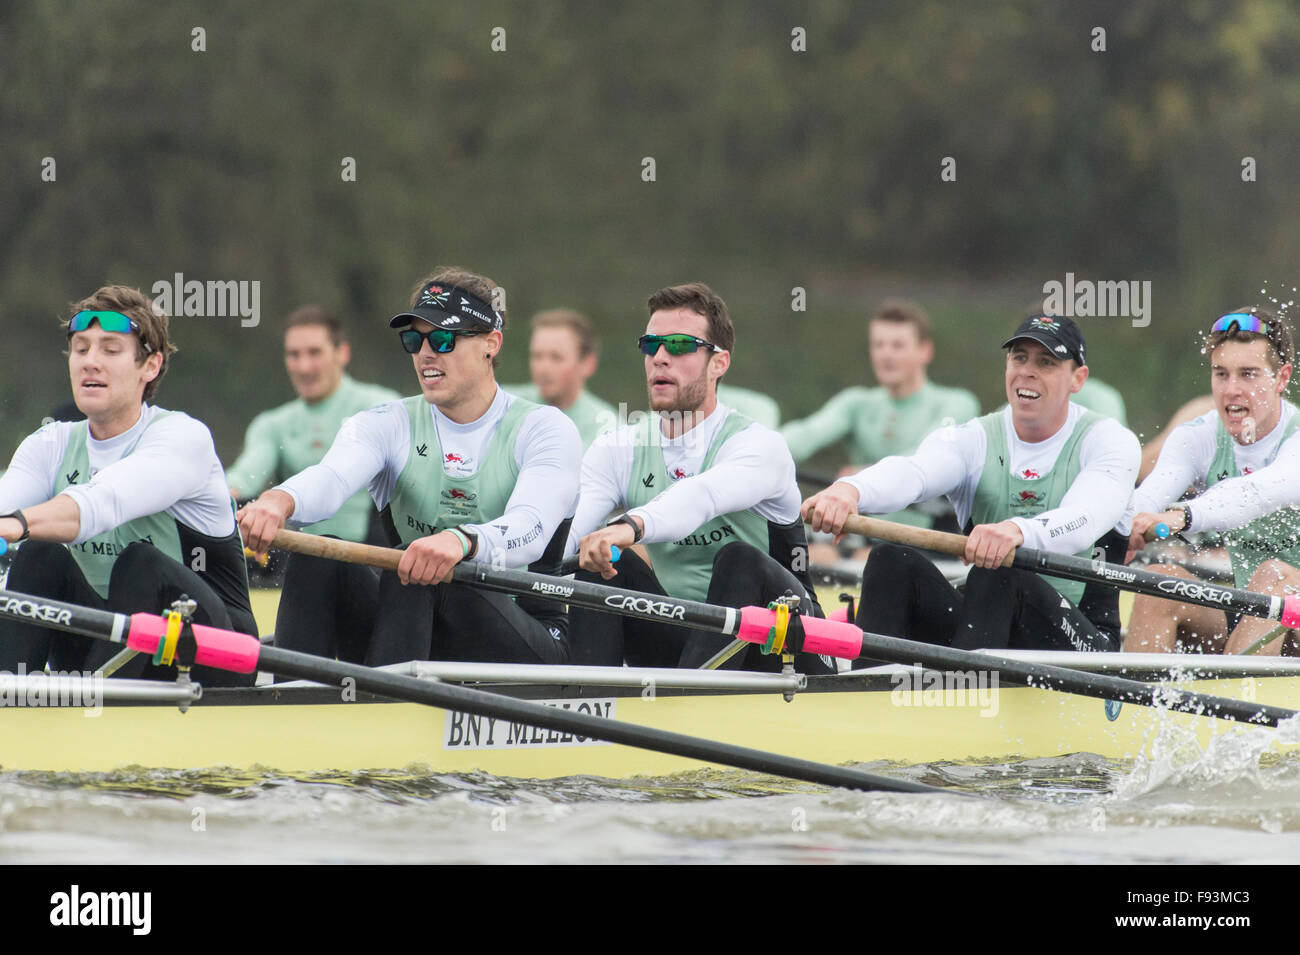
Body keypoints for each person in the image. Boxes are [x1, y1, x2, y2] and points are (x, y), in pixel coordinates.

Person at [238, 267, 582, 667]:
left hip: (524, 630)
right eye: (413, 340)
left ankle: (387, 711)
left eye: (443, 338)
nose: (425, 353)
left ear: (491, 343)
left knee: (419, 565)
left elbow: (532, 525)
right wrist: (280, 501)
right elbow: (331, 477)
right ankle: (293, 702)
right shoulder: (387, 422)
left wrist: (461, 541)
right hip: (412, 625)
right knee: (320, 556)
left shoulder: (545, 428)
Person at [803, 313, 1141, 656]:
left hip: (1083, 644)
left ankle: (966, 695)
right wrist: (850, 491)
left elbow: (1085, 518)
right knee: (891, 560)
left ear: (1077, 379)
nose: (1028, 371)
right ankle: (869, 692)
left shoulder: (1109, 440)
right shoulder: (972, 438)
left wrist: (1015, 531)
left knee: (1002, 569)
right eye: (1019, 358)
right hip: (987, 628)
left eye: (1047, 362)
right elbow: (914, 473)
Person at [569, 282, 831, 674]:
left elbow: (701, 496)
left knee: (739, 560)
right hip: (688, 640)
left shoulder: (758, 445)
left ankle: (688, 695)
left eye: (678, 346)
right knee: (601, 558)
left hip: (784, 647)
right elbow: (567, 537)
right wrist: (475, 548)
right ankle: (586, 707)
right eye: (650, 345)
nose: (660, 358)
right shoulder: (617, 447)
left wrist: (629, 525)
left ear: (719, 363)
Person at [0, 286, 255, 686]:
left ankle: (91, 708)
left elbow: (103, 501)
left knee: (140, 564)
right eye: (81, 349)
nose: (90, 363)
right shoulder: (49, 443)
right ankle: (12, 696)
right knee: (40, 554)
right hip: (111, 645)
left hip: (212, 655)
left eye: (110, 350)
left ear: (150, 366)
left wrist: (16, 523)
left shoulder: (184, 437)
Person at [1124, 308, 1300, 656]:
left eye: (1248, 375)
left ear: (1281, 379)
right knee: (1159, 581)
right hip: (1254, 613)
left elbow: (1256, 494)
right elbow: (1148, 497)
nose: (1231, 390)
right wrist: (1135, 522)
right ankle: (1140, 706)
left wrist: (1180, 518)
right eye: (1221, 374)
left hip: (1286, 605)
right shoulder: (1199, 436)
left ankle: (1235, 703)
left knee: (1275, 577)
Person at [781, 299, 979, 528]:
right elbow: (804, 436)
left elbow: (925, 458)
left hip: (924, 538)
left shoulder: (958, 403)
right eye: (878, 345)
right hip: (858, 537)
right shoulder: (855, 402)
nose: (886, 354)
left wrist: (864, 475)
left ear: (925, 351)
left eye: (897, 345)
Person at [227, 306, 398, 543]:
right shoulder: (271, 424)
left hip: (373, 558)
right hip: (304, 558)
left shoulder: (382, 406)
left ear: (342, 353)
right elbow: (243, 479)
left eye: (315, 352)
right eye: (294, 355)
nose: (304, 367)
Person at [503, 308, 616, 449]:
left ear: (588, 364)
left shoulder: (607, 428)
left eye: (556, 358)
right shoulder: (503, 404)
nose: (543, 368)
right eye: (537, 356)